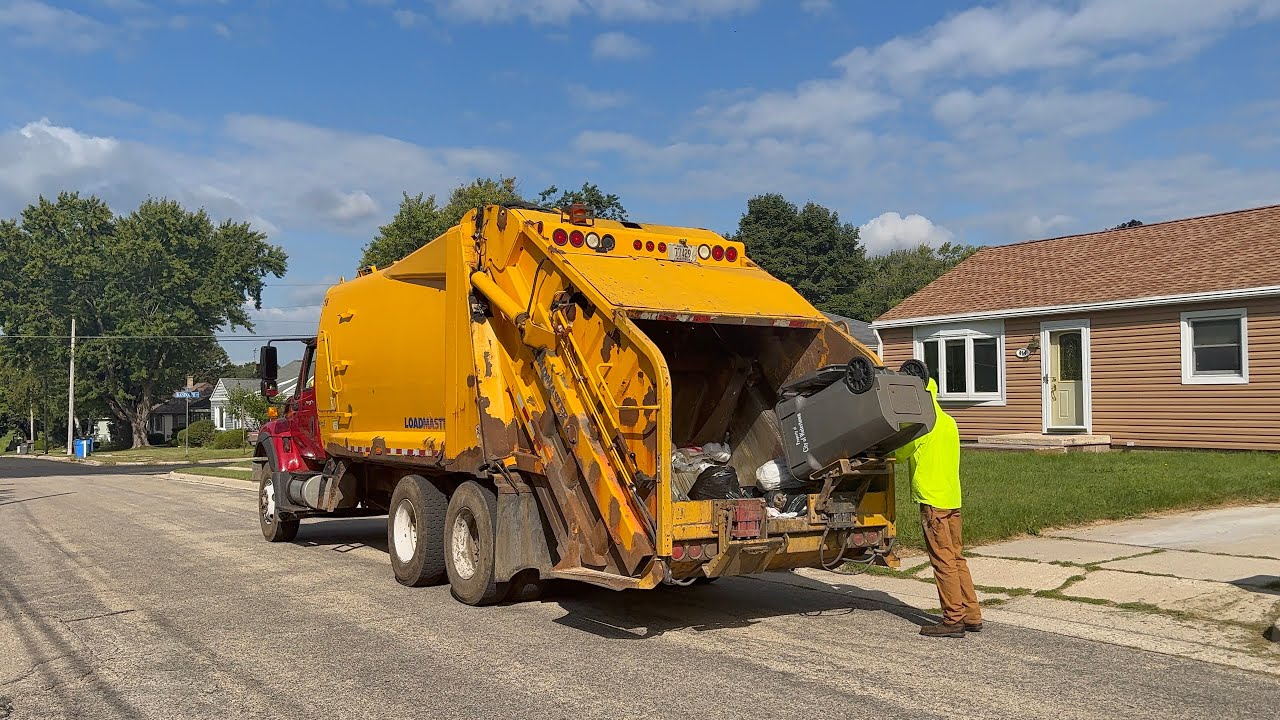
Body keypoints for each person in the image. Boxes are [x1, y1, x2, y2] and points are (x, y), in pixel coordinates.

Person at [894, 376, 982, 638]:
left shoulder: (920, 424)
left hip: (933, 502)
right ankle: (971, 614)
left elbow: (899, 454)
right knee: (956, 557)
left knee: (942, 560)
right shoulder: (948, 421)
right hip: (952, 499)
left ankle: (953, 619)